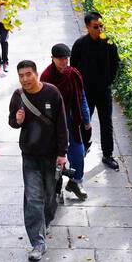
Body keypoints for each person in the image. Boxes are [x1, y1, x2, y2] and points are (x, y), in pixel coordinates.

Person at [8, 60, 68, 261]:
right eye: (21, 75)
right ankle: (37, 242)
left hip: (51, 156)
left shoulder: (52, 93)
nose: (24, 79)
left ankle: (45, 221)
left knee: (50, 199)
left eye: (28, 74)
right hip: (30, 156)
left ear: (36, 74)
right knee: (33, 199)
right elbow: (12, 122)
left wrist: (62, 152)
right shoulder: (18, 96)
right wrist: (17, 120)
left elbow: (61, 124)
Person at [70, 10, 121, 169]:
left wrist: (109, 81)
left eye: (101, 26)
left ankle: (107, 154)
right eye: (96, 26)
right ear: (87, 27)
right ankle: (84, 146)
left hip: (104, 90)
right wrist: (79, 88)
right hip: (86, 91)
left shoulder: (109, 43)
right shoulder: (80, 44)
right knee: (85, 120)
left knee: (107, 122)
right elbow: (74, 68)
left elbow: (115, 64)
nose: (99, 29)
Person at [41, 44, 90, 201]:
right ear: (53, 59)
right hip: (54, 122)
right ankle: (56, 188)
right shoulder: (46, 76)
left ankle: (75, 182)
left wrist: (86, 119)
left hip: (71, 119)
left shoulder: (73, 74)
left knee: (78, 153)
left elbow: (81, 97)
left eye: (66, 59)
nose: (64, 62)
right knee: (58, 157)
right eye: (60, 59)